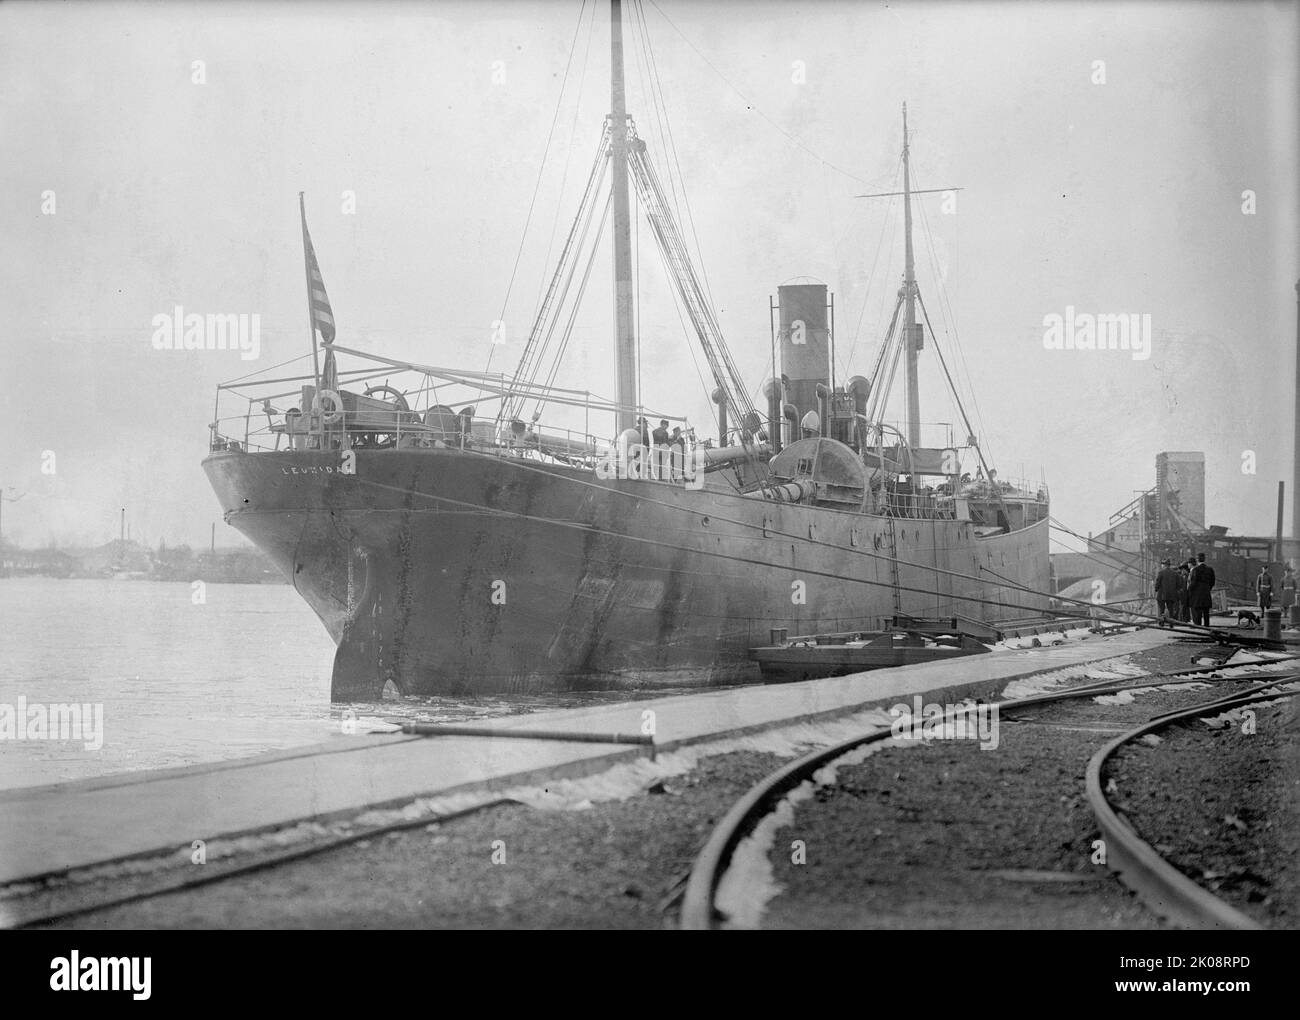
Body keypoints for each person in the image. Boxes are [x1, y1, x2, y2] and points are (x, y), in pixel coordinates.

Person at [1188, 552, 1216, 627]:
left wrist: (1190, 590)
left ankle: (1199, 627)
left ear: (1197, 560)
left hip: (1197, 595)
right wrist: (1207, 589)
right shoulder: (1210, 569)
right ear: (1204, 559)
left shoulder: (1195, 570)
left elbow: (1193, 583)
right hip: (1206, 594)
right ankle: (1207, 627)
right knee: (1206, 613)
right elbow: (1212, 582)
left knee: (1198, 613)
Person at [1154, 558, 1181, 627]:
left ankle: (1161, 622)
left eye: (1163, 564)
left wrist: (1156, 589)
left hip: (1162, 595)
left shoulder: (1161, 572)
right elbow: (1178, 585)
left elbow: (1158, 583)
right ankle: (1171, 623)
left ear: (1164, 565)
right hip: (1171, 595)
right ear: (1169, 565)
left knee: (1162, 609)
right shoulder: (1175, 573)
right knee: (1171, 609)